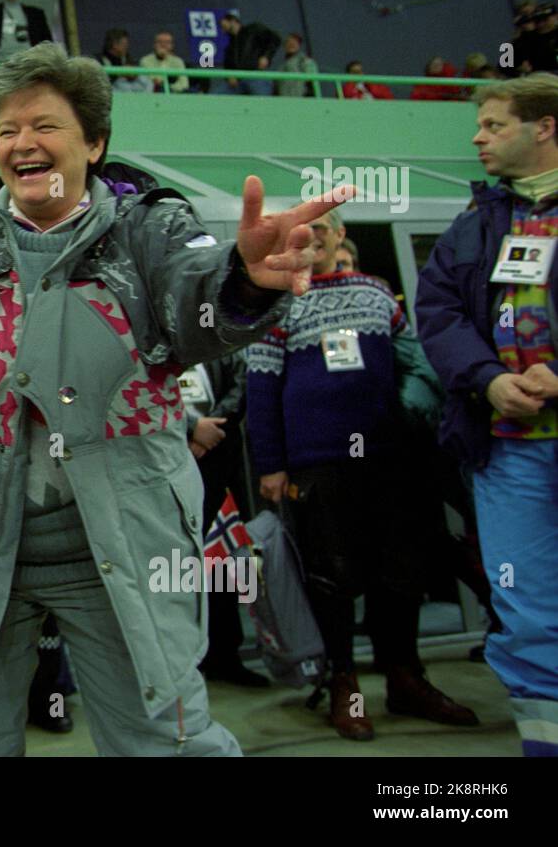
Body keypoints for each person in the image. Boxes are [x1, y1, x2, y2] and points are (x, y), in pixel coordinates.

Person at [0, 41, 351, 756]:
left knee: (165, 738)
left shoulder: (147, 234)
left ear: (95, 141)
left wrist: (242, 281)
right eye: (7, 130)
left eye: (45, 125)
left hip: (123, 540)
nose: (23, 142)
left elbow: (196, 301)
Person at [247, 207, 478, 741]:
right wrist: (271, 465)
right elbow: (261, 389)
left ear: (340, 235)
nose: (311, 240)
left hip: (388, 457)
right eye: (300, 234)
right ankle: (343, 686)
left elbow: (414, 364)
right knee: (331, 576)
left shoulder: (377, 292)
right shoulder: (277, 302)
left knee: (401, 572)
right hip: (316, 463)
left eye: (322, 231)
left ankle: (405, 678)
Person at [415, 74, 558, 756]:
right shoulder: (471, 226)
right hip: (506, 447)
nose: (477, 137)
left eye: (494, 124)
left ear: (546, 126)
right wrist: (490, 379)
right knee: (525, 605)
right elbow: (437, 314)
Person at [182, 352, 267, 687]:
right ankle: (187, 662)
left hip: (221, 457)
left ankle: (226, 655)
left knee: (227, 560)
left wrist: (212, 428)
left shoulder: (216, 334)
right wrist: (190, 428)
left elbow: (242, 382)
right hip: (167, 461)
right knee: (175, 564)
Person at [218, 10, 279, 96]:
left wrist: (266, 57)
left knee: (261, 103)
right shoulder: (230, 47)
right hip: (238, 82)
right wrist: (229, 77)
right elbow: (227, 66)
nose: (222, 28)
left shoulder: (253, 30)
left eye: (223, 24)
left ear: (233, 21)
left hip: (256, 76)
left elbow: (275, 38)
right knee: (216, 96)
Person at [96, 29, 150, 94]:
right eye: (124, 44)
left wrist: (133, 74)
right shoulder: (98, 60)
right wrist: (120, 73)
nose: (127, 46)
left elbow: (134, 74)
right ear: (115, 45)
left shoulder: (128, 58)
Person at [276, 33, 318, 97]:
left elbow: (312, 81)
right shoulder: (281, 66)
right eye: (288, 42)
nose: (291, 45)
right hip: (283, 101)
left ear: (299, 45)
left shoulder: (304, 61)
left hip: (299, 101)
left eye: (294, 43)